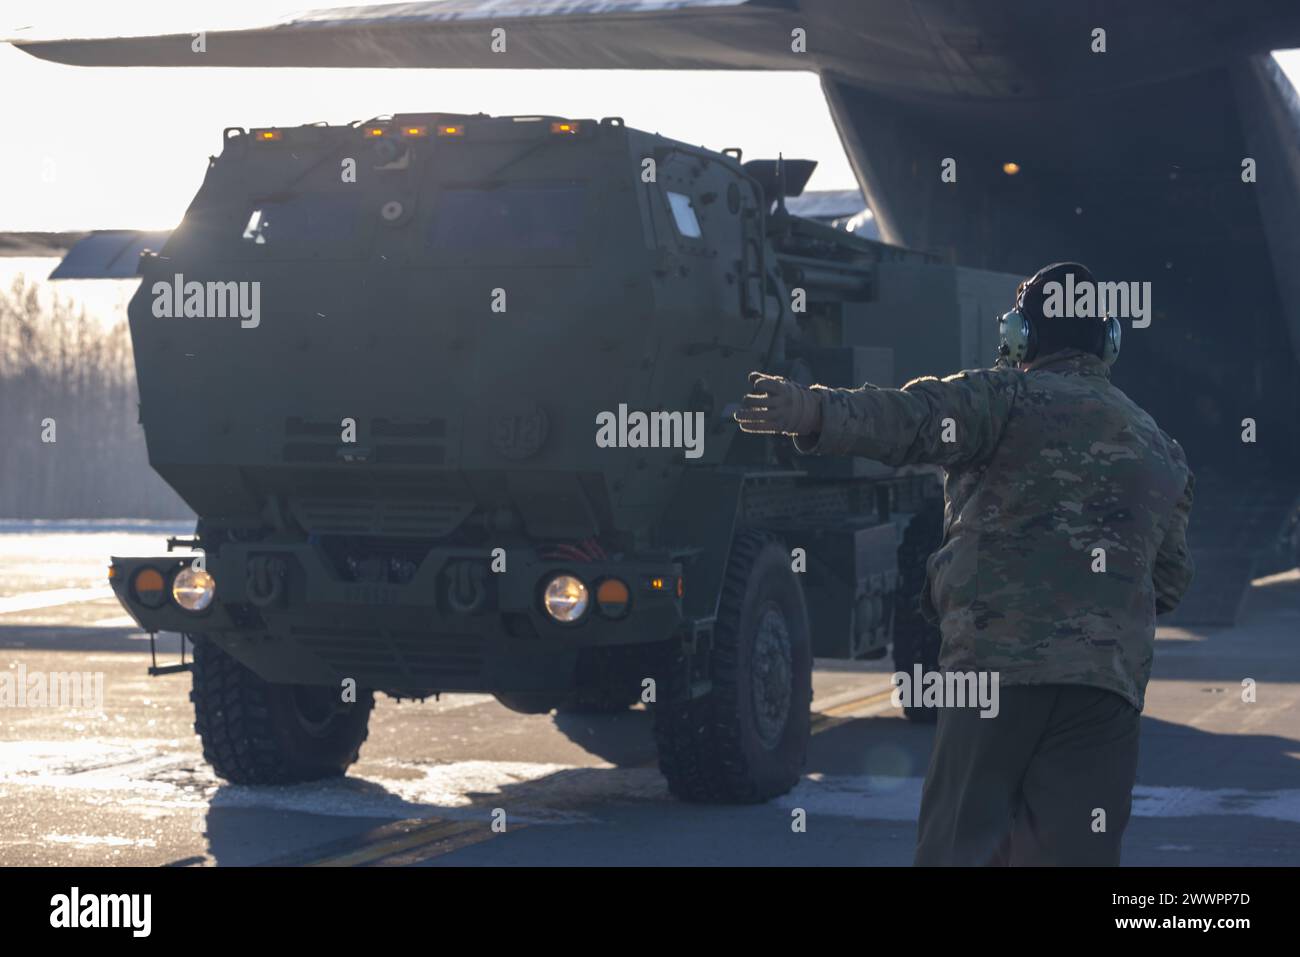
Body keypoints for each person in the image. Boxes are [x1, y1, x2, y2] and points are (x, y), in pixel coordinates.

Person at [735, 262, 1195, 866]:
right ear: (1109, 340)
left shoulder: (999, 398)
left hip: (992, 676)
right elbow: (1170, 582)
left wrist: (809, 411)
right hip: (1103, 689)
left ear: (1020, 337)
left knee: (961, 850)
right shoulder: (1158, 443)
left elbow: (904, 420)